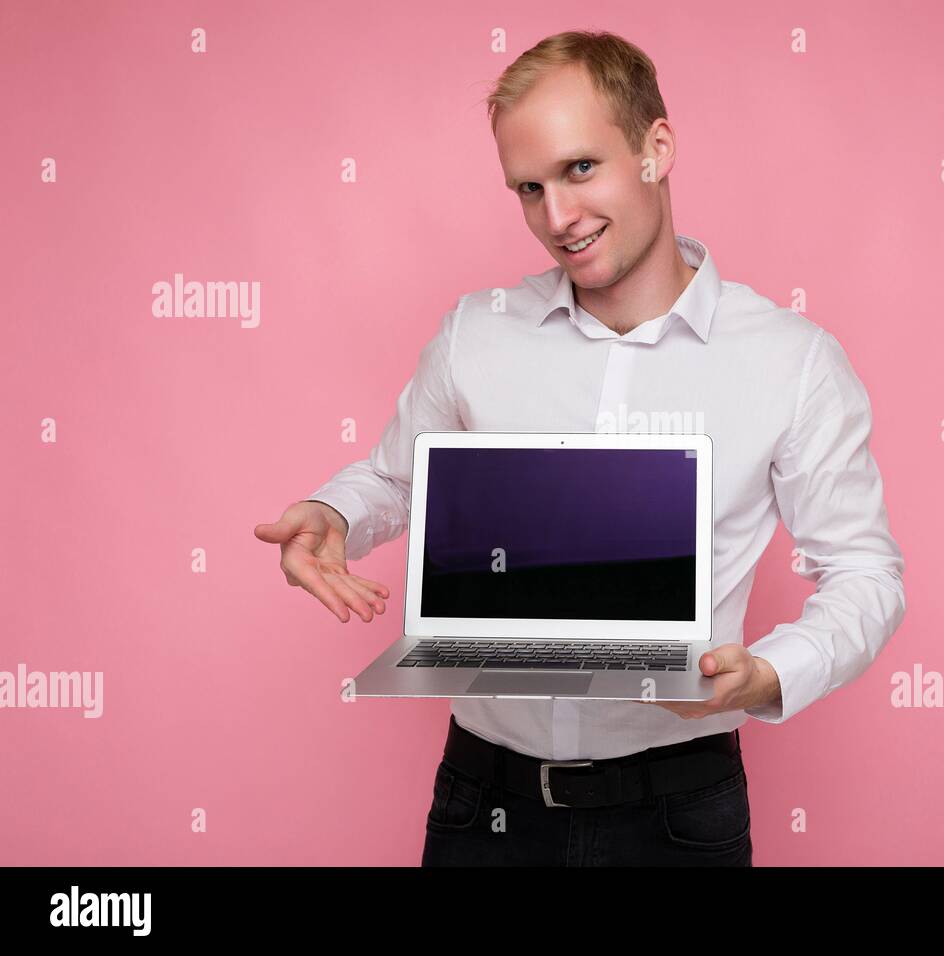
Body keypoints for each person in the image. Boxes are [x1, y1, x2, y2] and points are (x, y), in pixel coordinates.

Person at [253, 30, 906, 866]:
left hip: (678, 810)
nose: (556, 218)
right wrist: (332, 512)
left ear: (655, 148)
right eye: (529, 188)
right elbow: (395, 478)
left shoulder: (791, 360)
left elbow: (864, 572)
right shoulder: (474, 335)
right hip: (481, 801)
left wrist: (772, 673)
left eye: (579, 169)